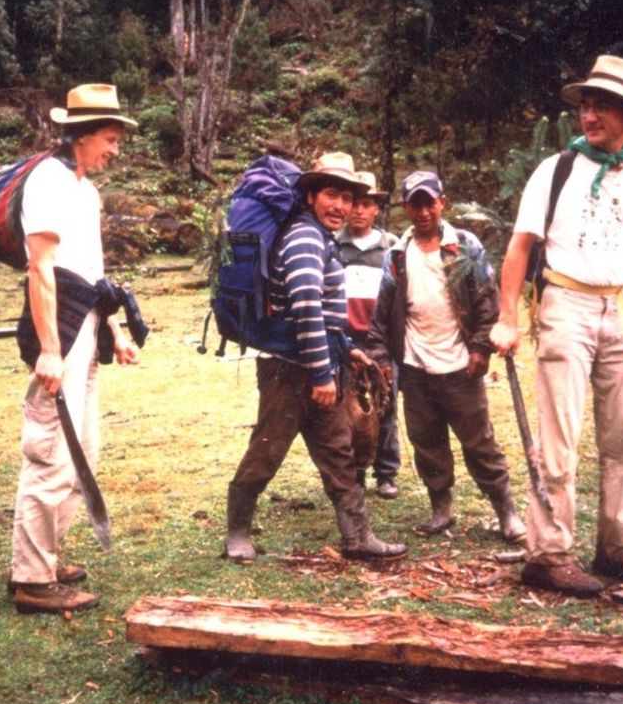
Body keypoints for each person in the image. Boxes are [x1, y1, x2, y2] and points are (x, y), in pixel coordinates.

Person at [490, 55, 623, 597]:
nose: (590, 114)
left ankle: (615, 548)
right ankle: (548, 554)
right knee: (559, 436)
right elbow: (520, 248)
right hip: (565, 305)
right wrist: (507, 318)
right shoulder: (555, 171)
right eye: (586, 103)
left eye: (602, 105)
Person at [223, 153, 407, 563]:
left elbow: (322, 316)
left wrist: (348, 351)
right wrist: (322, 374)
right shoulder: (306, 238)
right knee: (266, 451)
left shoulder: (319, 238)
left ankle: (358, 537)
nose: (340, 206)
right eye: (331, 195)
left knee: (339, 452)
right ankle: (237, 533)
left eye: (347, 197)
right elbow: (305, 307)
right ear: (310, 196)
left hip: (320, 363)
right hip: (290, 371)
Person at [8, 84, 141, 614]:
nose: (115, 149)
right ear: (83, 135)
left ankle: (43, 557)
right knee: (51, 451)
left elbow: (91, 276)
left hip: (85, 325)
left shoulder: (85, 190)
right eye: (110, 138)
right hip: (58, 330)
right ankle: (32, 581)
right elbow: (40, 268)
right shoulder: (47, 181)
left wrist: (115, 331)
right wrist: (48, 350)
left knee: (81, 448)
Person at [367, 170, 527, 544]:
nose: (423, 211)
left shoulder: (465, 246)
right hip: (415, 367)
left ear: (443, 203)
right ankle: (442, 508)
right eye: (415, 204)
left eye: (429, 203)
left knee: (480, 443)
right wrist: (380, 357)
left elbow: (487, 299)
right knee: (427, 442)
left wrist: (480, 347)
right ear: (405, 207)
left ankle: (507, 512)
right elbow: (382, 310)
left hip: (460, 367)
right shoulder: (397, 254)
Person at [335, 171, 401, 500]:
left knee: (385, 406)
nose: (359, 211)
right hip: (345, 342)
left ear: (376, 209)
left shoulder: (392, 248)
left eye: (366, 204)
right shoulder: (335, 246)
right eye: (354, 204)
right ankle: (355, 471)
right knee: (349, 409)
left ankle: (386, 473)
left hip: (380, 341)